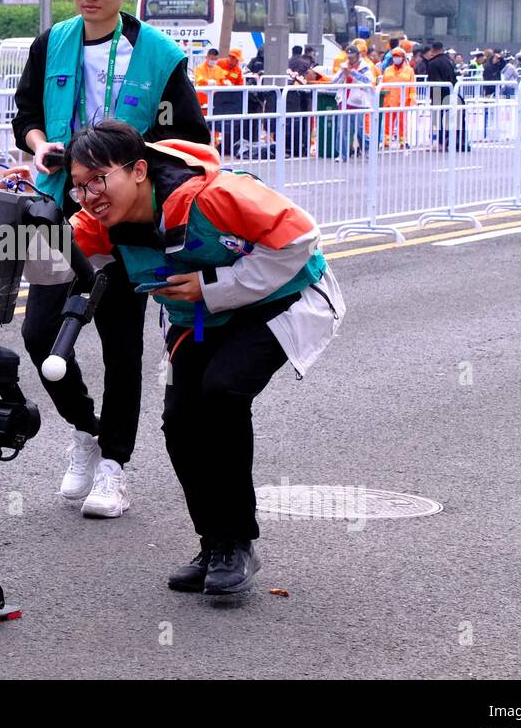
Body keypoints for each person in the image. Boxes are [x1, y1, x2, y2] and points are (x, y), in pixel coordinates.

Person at [60, 120, 345, 594]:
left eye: (99, 179)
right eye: (79, 187)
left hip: (282, 299)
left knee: (223, 391)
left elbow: (300, 241)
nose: (90, 195)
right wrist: (7, 223)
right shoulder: (97, 223)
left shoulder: (214, 195)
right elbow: (49, 262)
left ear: (138, 170)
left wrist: (214, 286)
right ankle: (212, 541)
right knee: (180, 421)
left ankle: (237, 543)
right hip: (199, 318)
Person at [11, 0, 210, 517]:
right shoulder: (51, 43)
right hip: (56, 206)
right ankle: (86, 429)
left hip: (125, 214)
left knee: (122, 345)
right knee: (38, 336)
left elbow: (191, 140)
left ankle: (114, 466)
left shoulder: (160, 56)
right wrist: (41, 143)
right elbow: (24, 111)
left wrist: (126, 166)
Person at [331, 43, 377, 161]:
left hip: (358, 101)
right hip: (344, 101)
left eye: (352, 56)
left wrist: (353, 73)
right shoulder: (343, 66)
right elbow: (334, 81)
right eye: (348, 56)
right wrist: (343, 73)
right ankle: (342, 154)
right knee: (342, 129)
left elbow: (369, 82)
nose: (350, 59)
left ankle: (367, 149)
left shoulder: (364, 67)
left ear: (357, 56)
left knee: (359, 129)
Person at [423, 41, 458, 150]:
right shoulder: (449, 61)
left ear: (433, 50)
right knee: (450, 120)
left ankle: (439, 142)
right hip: (451, 93)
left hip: (438, 94)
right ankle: (450, 141)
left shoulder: (433, 63)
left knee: (437, 120)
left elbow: (434, 81)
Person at [381, 46, 416, 148]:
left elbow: (412, 86)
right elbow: (383, 85)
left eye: (398, 56)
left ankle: (403, 142)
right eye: (394, 56)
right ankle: (386, 141)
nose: (396, 58)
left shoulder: (409, 70)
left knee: (402, 123)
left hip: (403, 101)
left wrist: (412, 99)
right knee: (387, 123)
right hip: (389, 100)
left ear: (403, 57)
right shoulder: (387, 70)